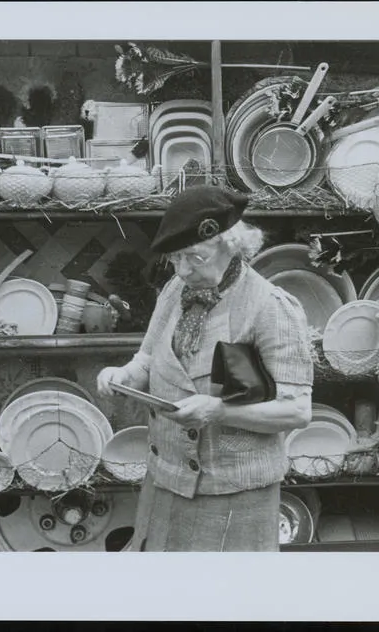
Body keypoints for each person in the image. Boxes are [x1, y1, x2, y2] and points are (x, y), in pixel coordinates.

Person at [96, 185, 313, 552]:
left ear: (230, 243)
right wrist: (123, 376)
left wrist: (218, 411)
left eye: (193, 258)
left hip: (232, 493)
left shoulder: (270, 307)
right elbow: (148, 358)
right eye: (174, 259)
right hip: (165, 482)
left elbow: (297, 410)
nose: (181, 271)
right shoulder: (173, 292)